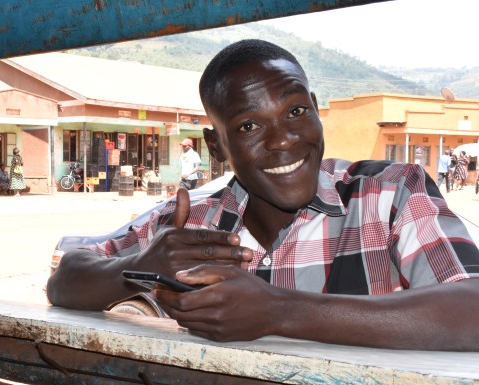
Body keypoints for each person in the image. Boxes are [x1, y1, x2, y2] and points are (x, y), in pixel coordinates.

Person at [46, 39, 479, 351]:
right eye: (249, 126)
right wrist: (140, 267)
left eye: (296, 111)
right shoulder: (192, 224)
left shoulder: (389, 193)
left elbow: (472, 306)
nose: (283, 140)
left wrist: (280, 311)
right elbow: (66, 277)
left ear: (316, 110)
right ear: (216, 146)